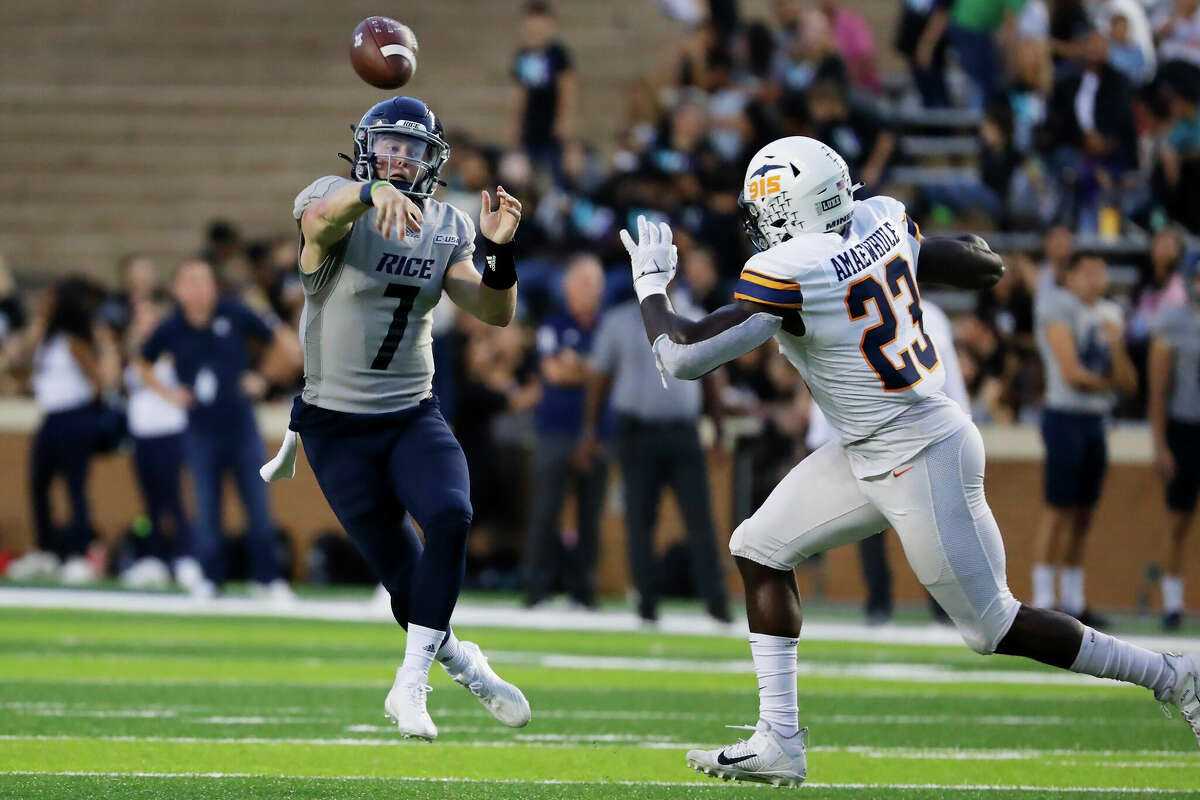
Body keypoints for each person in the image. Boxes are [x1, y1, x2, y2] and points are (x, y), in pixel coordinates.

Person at [620, 136, 1199, 786]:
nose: (760, 225)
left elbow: (681, 356)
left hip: (922, 452)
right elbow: (973, 263)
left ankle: (1172, 675)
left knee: (994, 627)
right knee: (759, 546)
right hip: (873, 442)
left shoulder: (794, 267)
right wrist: (973, 266)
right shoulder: (881, 217)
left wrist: (650, 286)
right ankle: (778, 739)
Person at [264, 95, 530, 741]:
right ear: (365, 147)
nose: (399, 159)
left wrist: (497, 252)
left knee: (451, 516)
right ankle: (462, 662)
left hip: (412, 413)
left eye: (412, 150)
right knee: (404, 574)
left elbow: (493, 312)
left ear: (432, 161)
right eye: (389, 146)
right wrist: (369, 191)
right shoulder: (335, 199)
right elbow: (322, 221)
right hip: (336, 427)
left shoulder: (445, 223)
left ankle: (409, 685)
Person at [137, 260, 299, 602]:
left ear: (213, 286)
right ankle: (210, 577)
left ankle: (268, 579)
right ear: (178, 290)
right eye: (189, 282)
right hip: (200, 431)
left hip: (241, 426)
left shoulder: (236, 313)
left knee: (257, 506)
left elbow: (285, 345)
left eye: (203, 281)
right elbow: (141, 363)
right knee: (206, 507)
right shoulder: (172, 327)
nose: (197, 289)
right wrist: (169, 394)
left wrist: (263, 378)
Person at [581, 284, 731, 626]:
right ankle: (646, 602)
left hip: (683, 430)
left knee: (700, 518)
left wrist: (718, 428)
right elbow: (600, 378)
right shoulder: (619, 320)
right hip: (636, 432)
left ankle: (716, 602)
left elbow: (711, 377)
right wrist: (590, 431)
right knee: (639, 519)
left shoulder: (692, 314)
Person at [1032, 254, 1137, 626]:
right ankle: (1045, 596)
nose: (1097, 279)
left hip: (1096, 420)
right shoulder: (1056, 303)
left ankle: (1074, 599)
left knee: (1084, 512)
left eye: (1101, 272)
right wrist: (1109, 384)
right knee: (1057, 508)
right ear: (1071, 276)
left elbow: (1130, 383)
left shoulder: (1111, 313)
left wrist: (1117, 346)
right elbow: (1072, 372)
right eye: (1088, 272)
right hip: (1064, 416)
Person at [6, 278, 119, 583]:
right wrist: (36, 329)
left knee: (74, 487)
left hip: (75, 417)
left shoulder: (74, 341)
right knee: (38, 483)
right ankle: (46, 550)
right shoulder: (46, 341)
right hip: (51, 418)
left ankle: (80, 554)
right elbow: (18, 367)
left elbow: (97, 383)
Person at [522, 254, 608, 609]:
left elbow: (611, 375)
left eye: (594, 283)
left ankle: (582, 590)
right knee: (546, 509)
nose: (588, 290)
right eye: (582, 282)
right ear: (568, 287)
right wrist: (593, 370)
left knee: (592, 511)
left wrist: (579, 365)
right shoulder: (553, 324)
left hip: (597, 432)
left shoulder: (607, 327)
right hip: (555, 429)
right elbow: (554, 373)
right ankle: (536, 588)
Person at [1147, 261, 1200, 630]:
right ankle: (1172, 601)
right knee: (1178, 519)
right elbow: (1158, 388)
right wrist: (1160, 443)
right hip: (1185, 427)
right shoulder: (1172, 321)